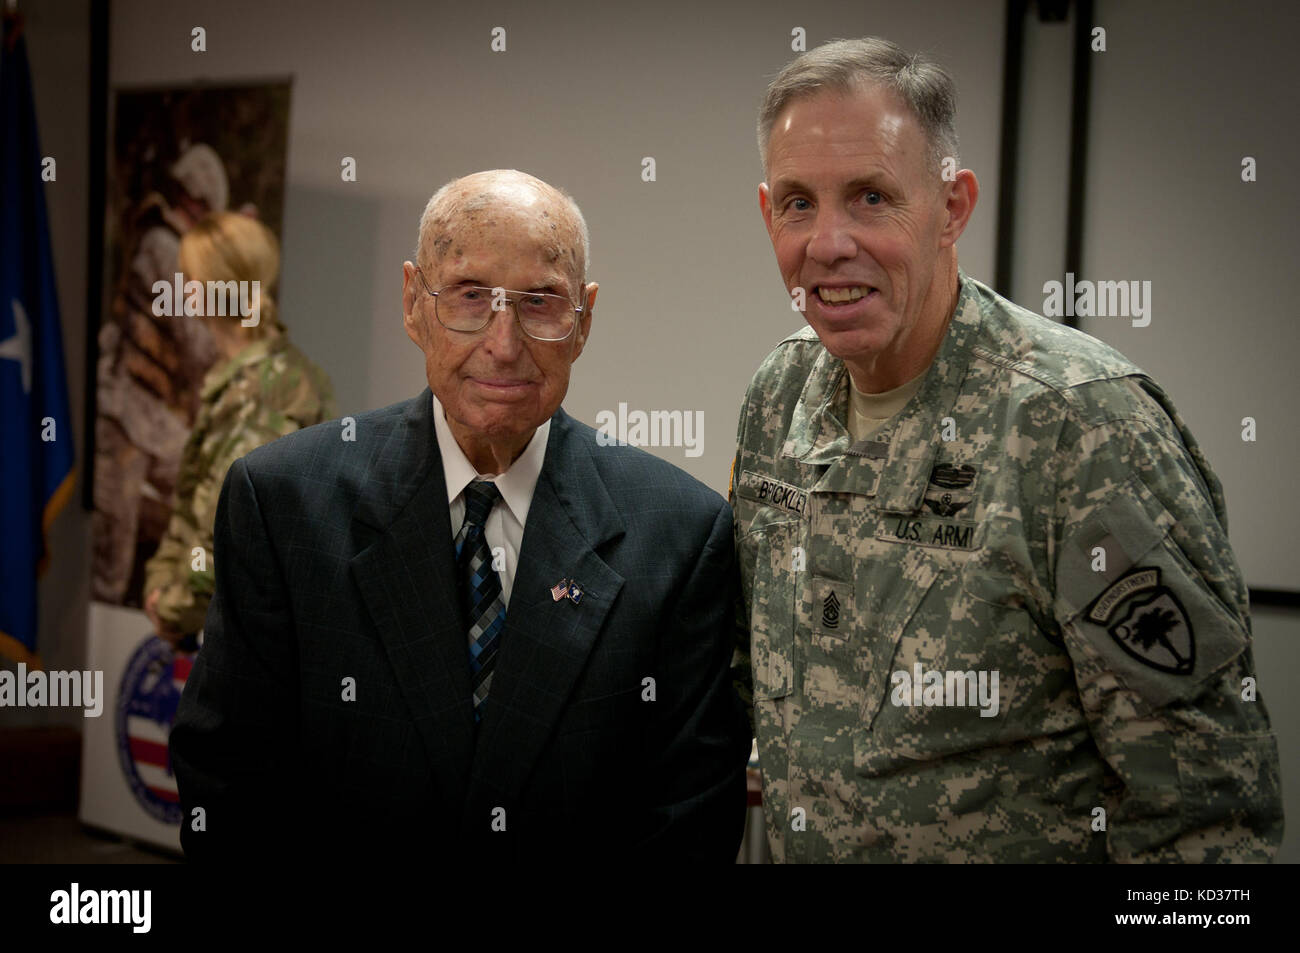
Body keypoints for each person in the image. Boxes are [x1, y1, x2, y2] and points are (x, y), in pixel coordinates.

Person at [730, 37, 1283, 862]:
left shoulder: (1081, 426)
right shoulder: (778, 399)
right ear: (768, 213)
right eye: (800, 204)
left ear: (952, 208)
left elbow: (1207, 812)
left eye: (872, 197)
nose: (828, 243)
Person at [169, 169, 751, 863]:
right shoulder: (284, 503)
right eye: (471, 297)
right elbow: (229, 783)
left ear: (583, 321)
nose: (503, 344)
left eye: (541, 302)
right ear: (414, 303)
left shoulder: (680, 534)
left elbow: (689, 818)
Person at [143, 211, 336, 646]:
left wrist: (173, 606)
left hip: (240, 635)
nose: (183, 287)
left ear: (214, 286)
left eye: (190, 277)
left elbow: (224, 533)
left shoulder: (261, 391)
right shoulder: (269, 375)